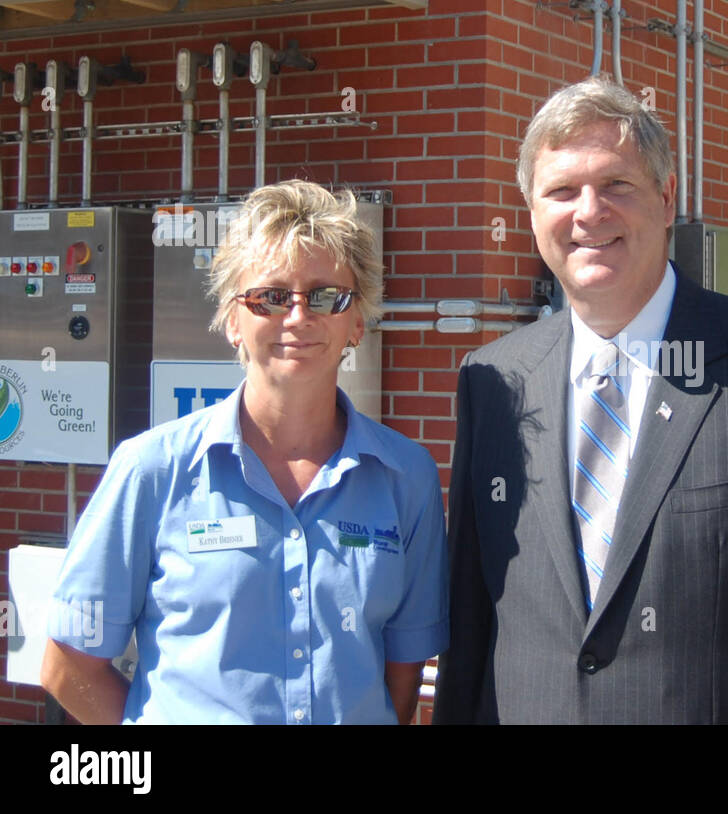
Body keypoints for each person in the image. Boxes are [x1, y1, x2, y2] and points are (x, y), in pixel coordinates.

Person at [433, 78, 728, 724]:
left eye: (616, 185)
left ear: (666, 197)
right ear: (532, 214)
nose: (588, 213)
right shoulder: (492, 381)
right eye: (561, 191)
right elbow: (472, 623)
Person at [41, 180, 448, 724]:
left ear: (356, 323)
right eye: (272, 297)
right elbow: (68, 665)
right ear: (234, 320)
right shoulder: (153, 469)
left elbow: (404, 666)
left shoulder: (407, 476)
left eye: (327, 296)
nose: (299, 317)